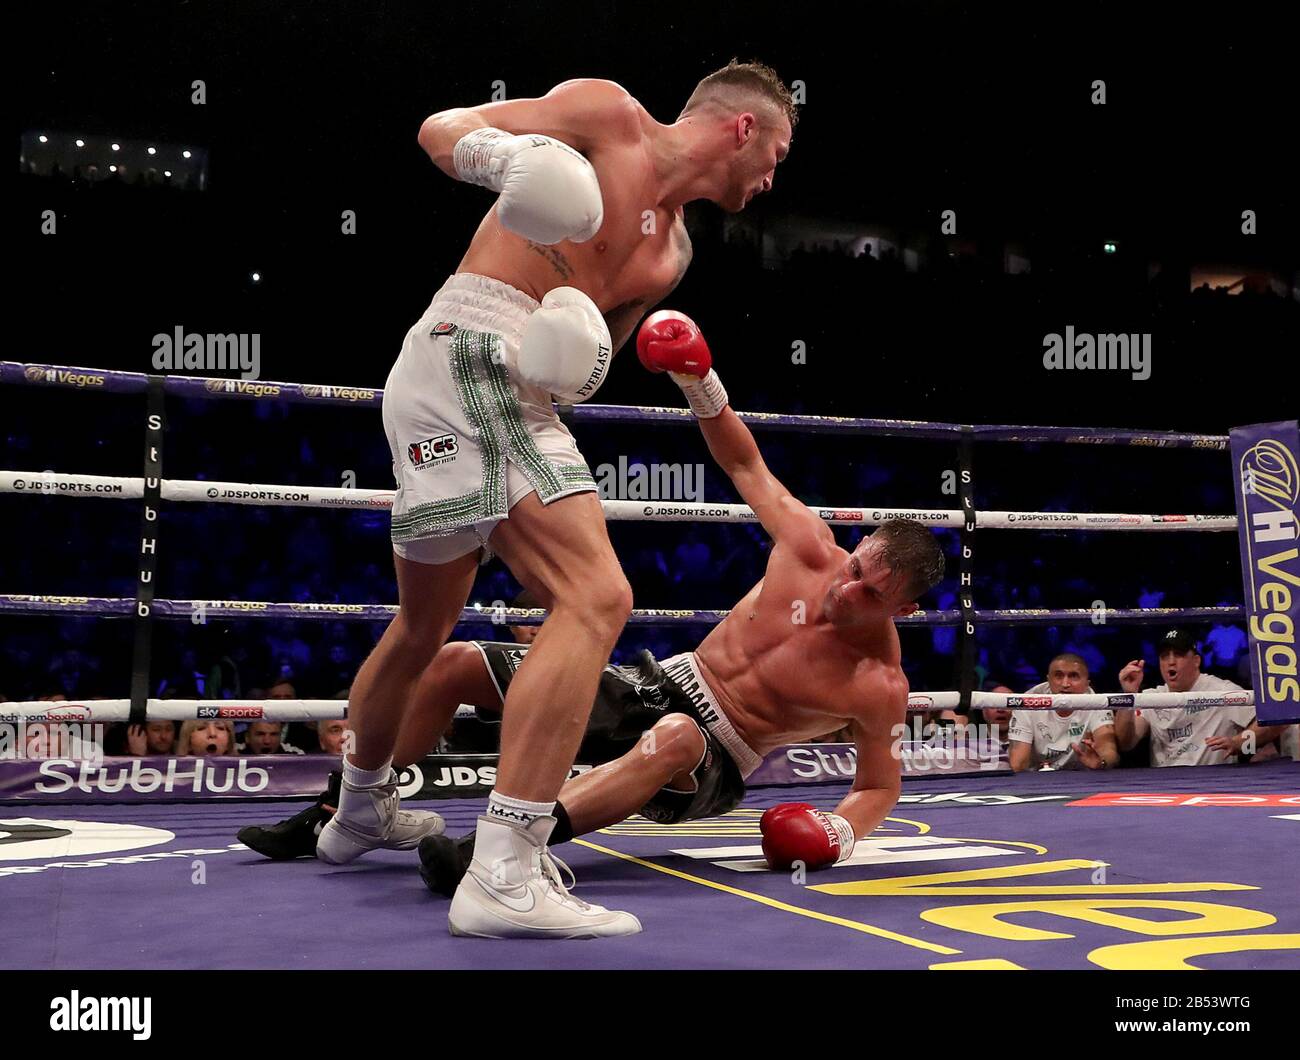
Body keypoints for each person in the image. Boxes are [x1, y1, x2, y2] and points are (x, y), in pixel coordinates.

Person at [244, 312, 946, 911]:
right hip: (656, 683)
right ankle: (347, 808)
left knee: (673, 734)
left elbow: (879, 785)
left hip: (710, 762)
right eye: (857, 569)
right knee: (457, 663)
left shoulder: (878, 684)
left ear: (904, 610)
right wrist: (699, 380)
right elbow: (745, 466)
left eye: (872, 595)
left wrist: (839, 831)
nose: (846, 590)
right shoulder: (807, 548)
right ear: (855, 548)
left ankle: (503, 853)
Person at [323, 61, 797, 939]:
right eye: (776, 151)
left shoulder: (673, 252)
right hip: (472, 344)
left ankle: (358, 809)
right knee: (596, 595)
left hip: (481, 377)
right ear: (742, 128)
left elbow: (582, 367)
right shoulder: (608, 113)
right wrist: (506, 164)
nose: (773, 176)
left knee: (423, 628)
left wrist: (576, 363)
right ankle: (504, 867)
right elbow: (438, 124)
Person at [1113, 628, 1284, 766]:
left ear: (1196, 661)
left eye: (1178, 654)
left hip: (1214, 781)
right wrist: (1128, 695)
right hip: (1164, 785)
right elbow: (1126, 743)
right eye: (1165, 656)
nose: (1171, 662)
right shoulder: (1152, 697)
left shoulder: (1220, 690)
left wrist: (1239, 742)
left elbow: (1275, 723)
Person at [1008, 652, 1118, 771]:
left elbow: (1109, 750)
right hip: (1037, 778)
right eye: (1058, 676)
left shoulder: (1097, 702)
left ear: (1087, 683)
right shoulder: (1028, 701)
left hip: (1082, 779)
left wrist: (1101, 763)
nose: (1065, 684)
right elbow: (1017, 763)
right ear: (1048, 680)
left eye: (1074, 676)